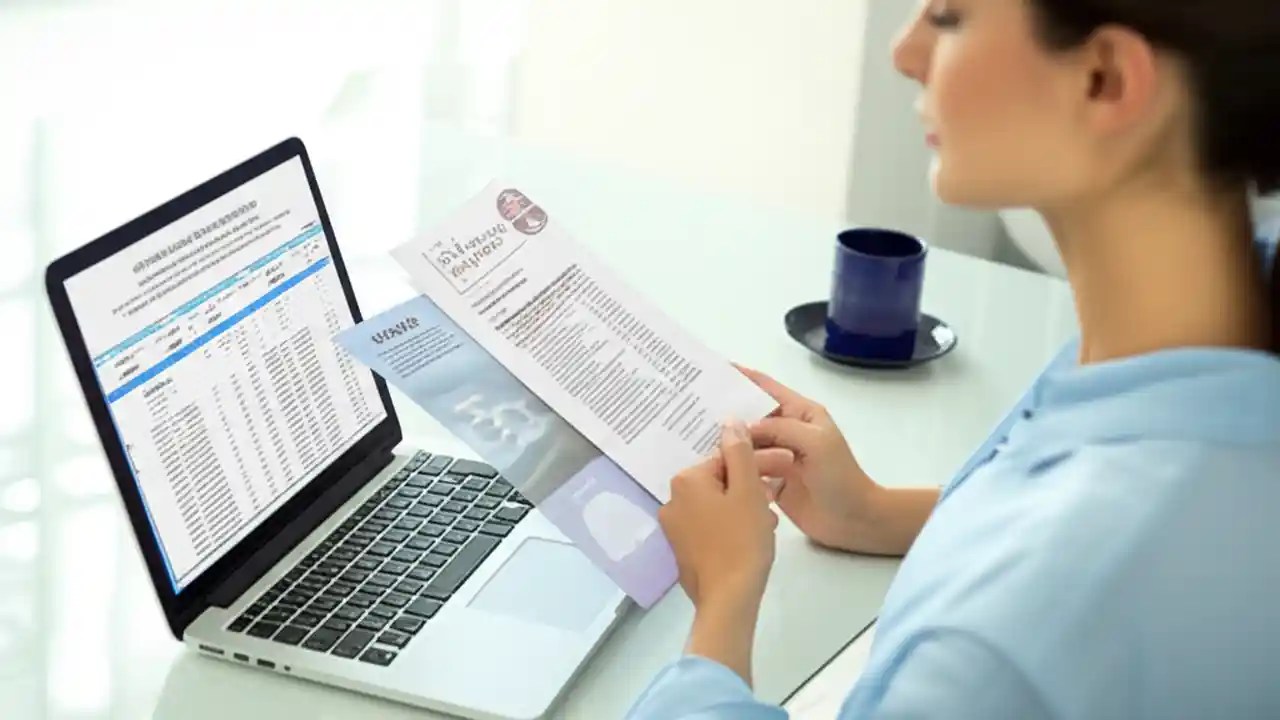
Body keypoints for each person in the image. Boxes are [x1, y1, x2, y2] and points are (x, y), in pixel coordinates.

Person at [627, 1, 1280, 718]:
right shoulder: (1199, 336)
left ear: (1105, 79)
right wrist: (873, 515)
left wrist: (722, 602)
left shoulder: (999, 647)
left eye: (948, 15)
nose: (905, 52)